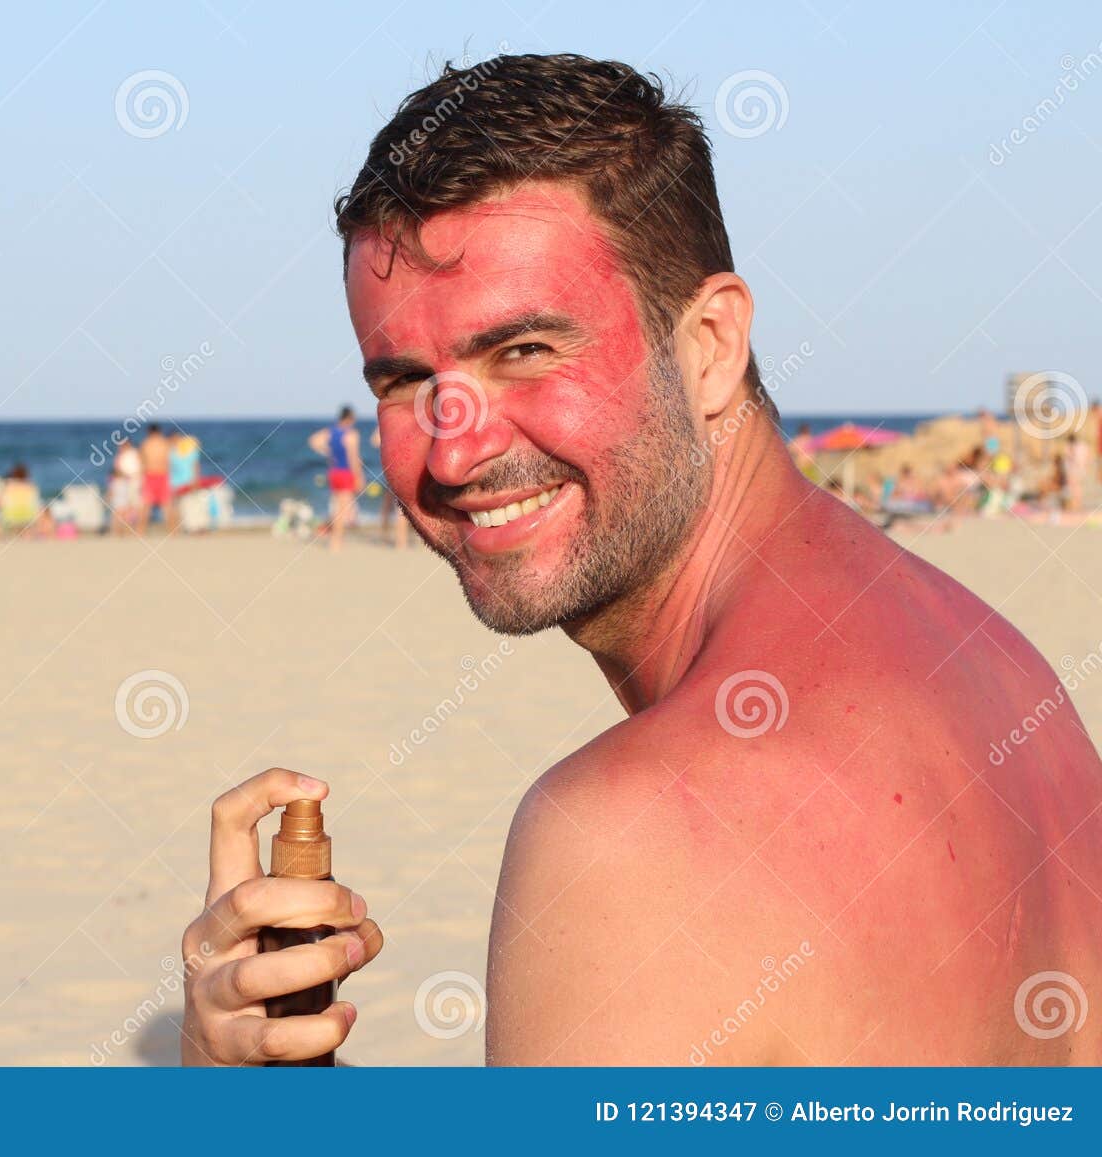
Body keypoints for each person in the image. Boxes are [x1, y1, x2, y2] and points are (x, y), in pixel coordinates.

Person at [180, 54, 1101, 1067]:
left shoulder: (633, 834)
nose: (453, 449)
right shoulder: (1000, 671)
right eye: (404, 378)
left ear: (710, 344)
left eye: (524, 351)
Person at [308, 406, 363, 551]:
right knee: (342, 510)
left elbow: (313, 441)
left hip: (334, 473)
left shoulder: (330, 432)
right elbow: (353, 458)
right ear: (349, 418)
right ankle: (336, 541)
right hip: (346, 473)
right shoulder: (351, 434)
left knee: (337, 507)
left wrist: (328, 451)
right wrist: (359, 476)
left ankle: (332, 537)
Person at [140, 423, 174, 532]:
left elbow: (142, 462)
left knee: (146, 506)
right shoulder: (166, 443)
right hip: (163, 475)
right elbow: (170, 461)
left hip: (150, 476)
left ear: (149, 432)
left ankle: (140, 532)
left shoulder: (146, 444)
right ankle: (173, 532)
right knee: (167, 505)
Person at [108, 436, 143, 536]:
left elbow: (139, 468)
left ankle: (127, 531)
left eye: (121, 445)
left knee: (131, 508)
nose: (119, 447)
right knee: (123, 509)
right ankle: (120, 531)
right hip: (125, 483)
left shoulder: (132, 454)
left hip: (132, 483)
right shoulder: (124, 455)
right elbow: (117, 470)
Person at [0, 464, 40, 535]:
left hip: (10, 519)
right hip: (28, 519)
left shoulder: (8, 487)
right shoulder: (31, 487)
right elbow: (36, 505)